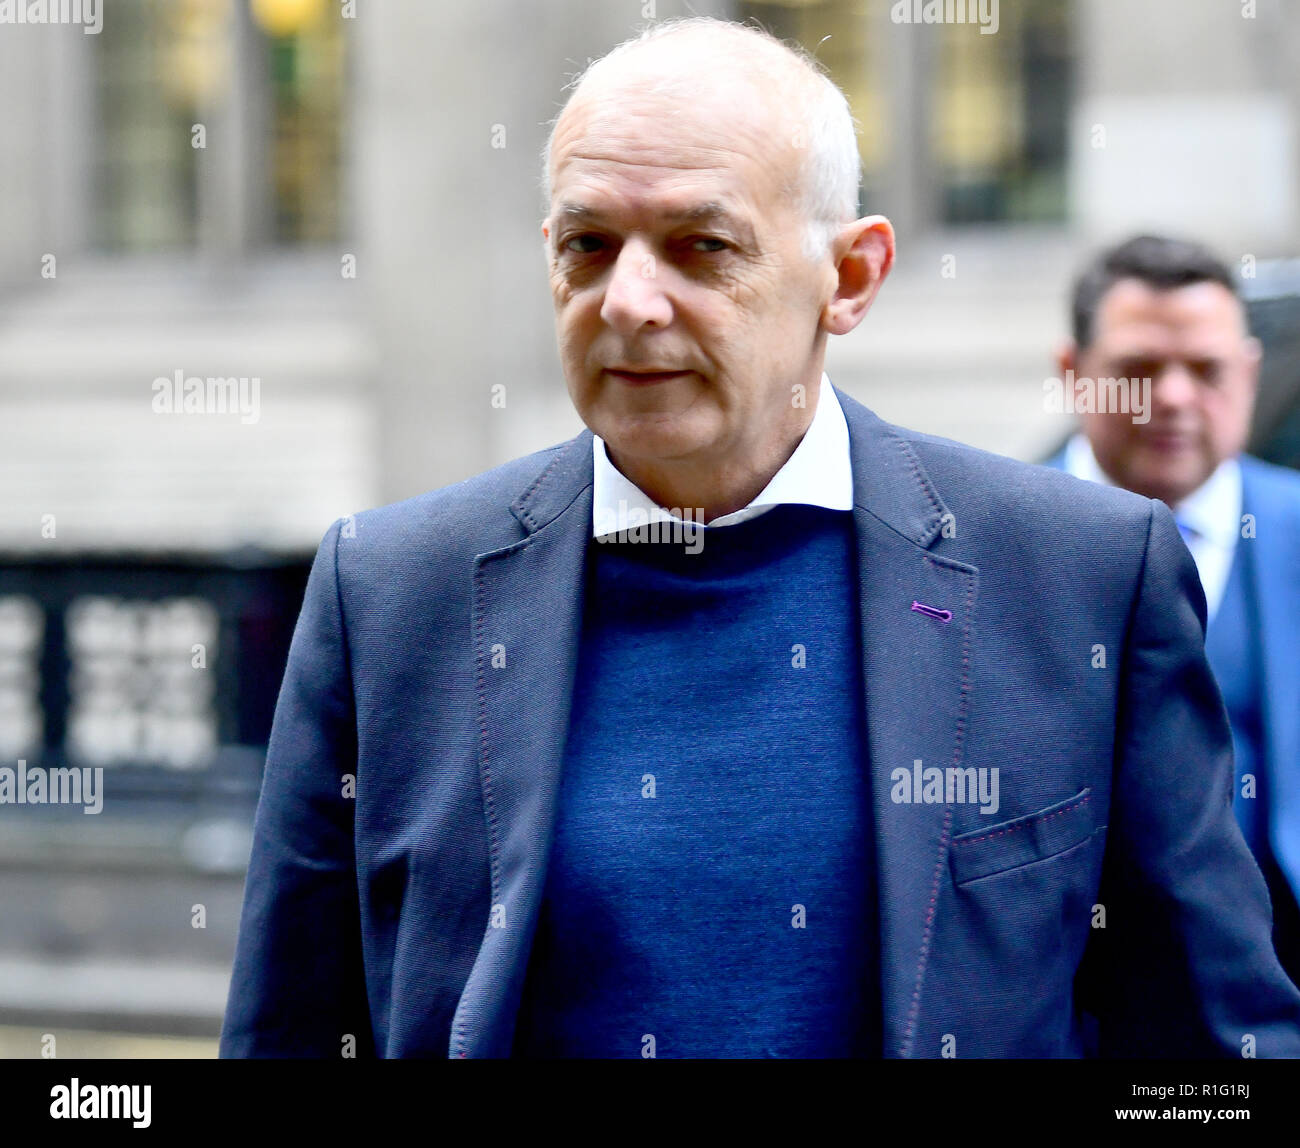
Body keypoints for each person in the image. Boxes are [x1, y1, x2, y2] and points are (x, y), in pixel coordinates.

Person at [220, 18, 1300, 1058]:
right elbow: (293, 1030)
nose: (630, 302)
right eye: (591, 245)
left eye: (702, 246)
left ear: (852, 276)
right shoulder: (391, 592)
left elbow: (1205, 1044)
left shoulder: (1079, 576)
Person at [1046, 234, 1300, 988]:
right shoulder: (980, 544)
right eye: (1140, 369)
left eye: (1206, 370)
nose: (1176, 396)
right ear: (1073, 374)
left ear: (1249, 375)